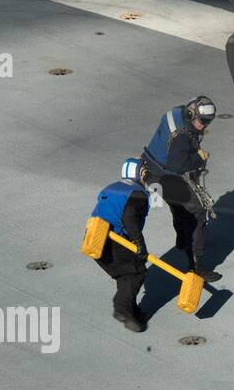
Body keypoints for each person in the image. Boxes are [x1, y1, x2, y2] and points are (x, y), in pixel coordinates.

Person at [140, 95, 220, 282]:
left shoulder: (177, 111)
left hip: (151, 170)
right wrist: (199, 157)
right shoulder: (182, 136)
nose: (204, 126)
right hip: (164, 177)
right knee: (197, 214)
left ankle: (182, 240)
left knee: (179, 207)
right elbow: (178, 165)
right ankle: (196, 267)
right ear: (192, 113)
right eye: (202, 122)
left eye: (207, 122)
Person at [89, 158, 151, 332]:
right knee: (135, 272)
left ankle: (132, 311)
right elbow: (129, 217)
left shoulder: (111, 187)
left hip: (93, 236)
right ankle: (122, 308)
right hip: (113, 238)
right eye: (144, 171)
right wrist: (140, 244)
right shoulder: (137, 193)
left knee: (124, 274)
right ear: (138, 173)